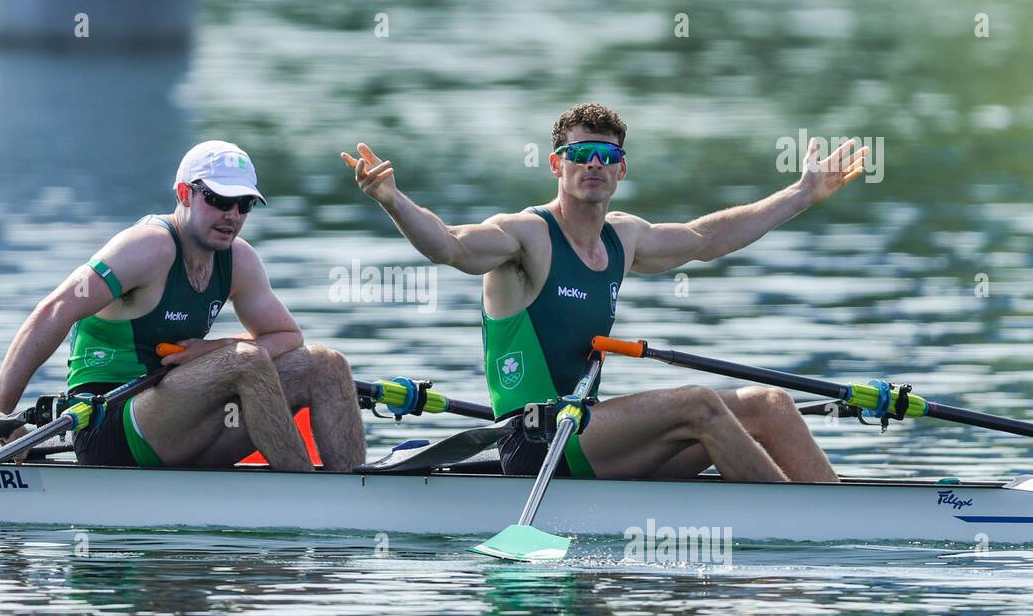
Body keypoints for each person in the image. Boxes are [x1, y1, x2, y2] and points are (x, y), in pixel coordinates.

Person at [344, 104, 867, 482]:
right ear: (557, 165)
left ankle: (837, 518)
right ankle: (794, 520)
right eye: (579, 154)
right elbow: (450, 245)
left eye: (605, 155)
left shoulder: (624, 237)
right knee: (698, 403)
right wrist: (392, 199)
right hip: (536, 442)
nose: (593, 164)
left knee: (770, 404)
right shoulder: (525, 236)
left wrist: (802, 194)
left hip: (587, 435)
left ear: (621, 167)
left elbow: (707, 239)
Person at [0, 140, 365, 472]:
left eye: (244, 204)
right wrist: (1, 412)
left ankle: (352, 493)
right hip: (108, 424)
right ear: (185, 193)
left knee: (327, 365)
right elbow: (55, 310)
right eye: (219, 200)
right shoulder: (147, 247)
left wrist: (211, 348)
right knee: (246, 360)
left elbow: (286, 336)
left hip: (181, 421)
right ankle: (307, 498)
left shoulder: (239, 260)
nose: (233, 215)